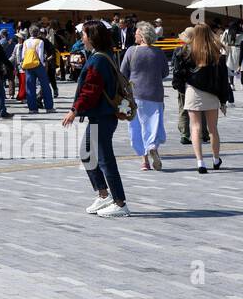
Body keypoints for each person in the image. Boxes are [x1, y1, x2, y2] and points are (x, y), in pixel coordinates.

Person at [61, 21, 129, 218]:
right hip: (101, 115)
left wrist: (74, 110)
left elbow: (91, 90)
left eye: (83, 34)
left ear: (92, 37)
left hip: (103, 116)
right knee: (86, 152)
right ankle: (104, 194)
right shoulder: (101, 55)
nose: (81, 38)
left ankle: (120, 202)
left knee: (106, 159)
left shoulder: (98, 59)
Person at [121, 21, 167, 170]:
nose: (134, 34)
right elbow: (165, 73)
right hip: (155, 94)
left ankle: (144, 160)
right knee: (152, 125)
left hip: (134, 94)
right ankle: (152, 146)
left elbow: (122, 73)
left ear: (141, 35)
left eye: (136, 33)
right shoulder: (158, 52)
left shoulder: (131, 51)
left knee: (135, 127)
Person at [183, 24, 229, 172]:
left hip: (193, 91)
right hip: (212, 93)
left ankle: (200, 162)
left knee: (195, 128)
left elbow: (179, 74)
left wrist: (180, 88)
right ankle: (216, 159)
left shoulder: (187, 51)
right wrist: (223, 99)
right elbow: (223, 79)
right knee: (213, 129)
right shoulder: (217, 53)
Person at [19, 27, 54, 114]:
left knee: (30, 87)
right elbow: (40, 55)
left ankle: (32, 108)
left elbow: (23, 55)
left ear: (30, 33)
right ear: (37, 33)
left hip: (28, 65)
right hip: (38, 65)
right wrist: (42, 64)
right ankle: (49, 107)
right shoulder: (40, 41)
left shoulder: (26, 42)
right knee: (45, 85)